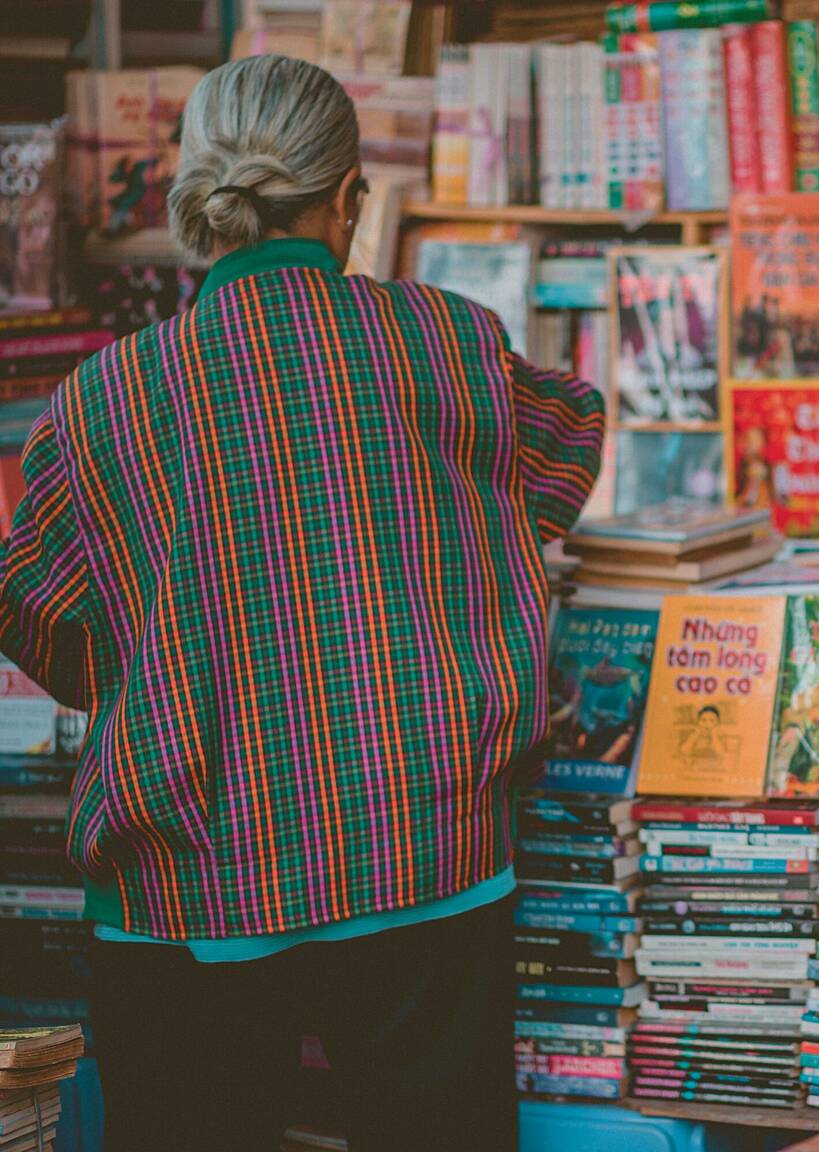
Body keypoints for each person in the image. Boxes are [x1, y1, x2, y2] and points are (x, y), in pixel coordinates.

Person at [0, 56, 604, 1152]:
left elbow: (55, 633)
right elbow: (561, 465)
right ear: (349, 199)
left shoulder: (98, 404)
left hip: (192, 883)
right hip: (427, 848)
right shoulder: (451, 338)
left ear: (196, 197)